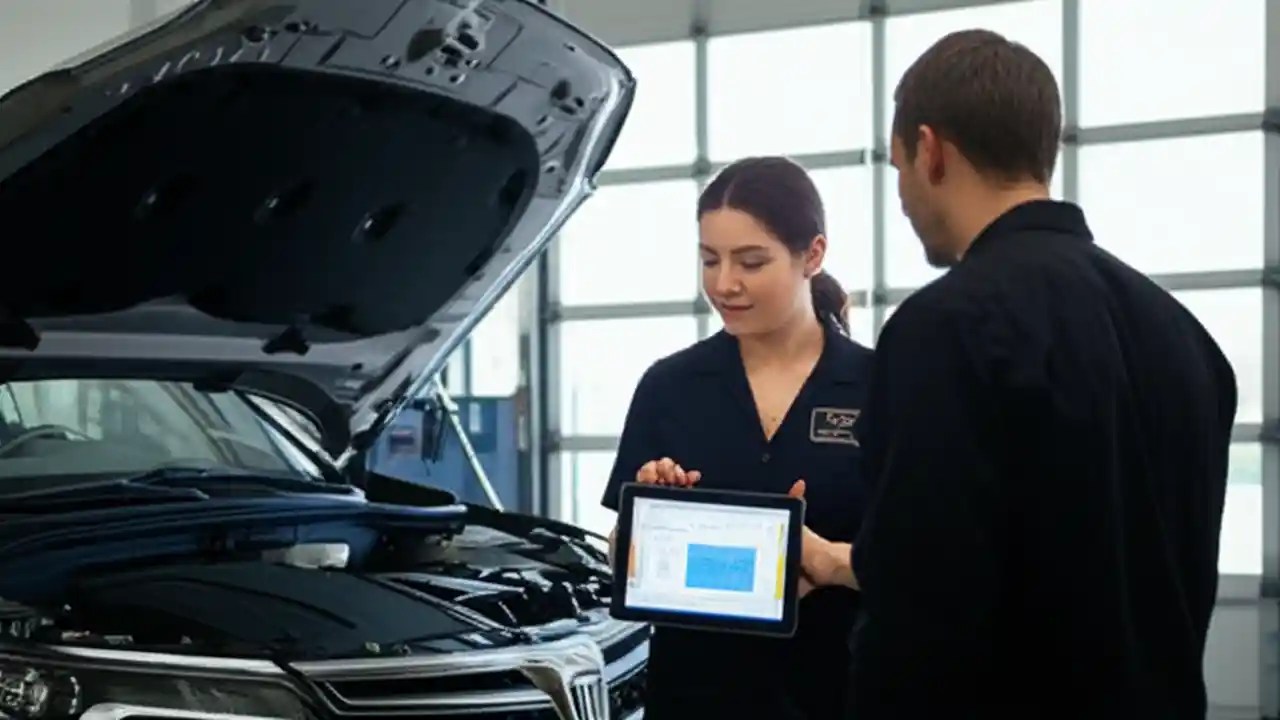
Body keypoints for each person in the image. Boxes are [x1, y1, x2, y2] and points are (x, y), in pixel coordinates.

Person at [796, 29, 1238, 720]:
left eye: (899, 167)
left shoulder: (945, 329)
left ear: (930, 150)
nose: (906, 197)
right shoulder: (1187, 339)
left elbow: (919, 613)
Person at [600, 155, 873, 719]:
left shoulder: (879, 387)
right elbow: (619, 555)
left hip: (838, 692)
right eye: (709, 260)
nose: (725, 284)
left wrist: (833, 561)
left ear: (812, 256)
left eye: (751, 262)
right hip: (696, 695)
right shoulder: (670, 386)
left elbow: (929, 564)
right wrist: (646, 526)